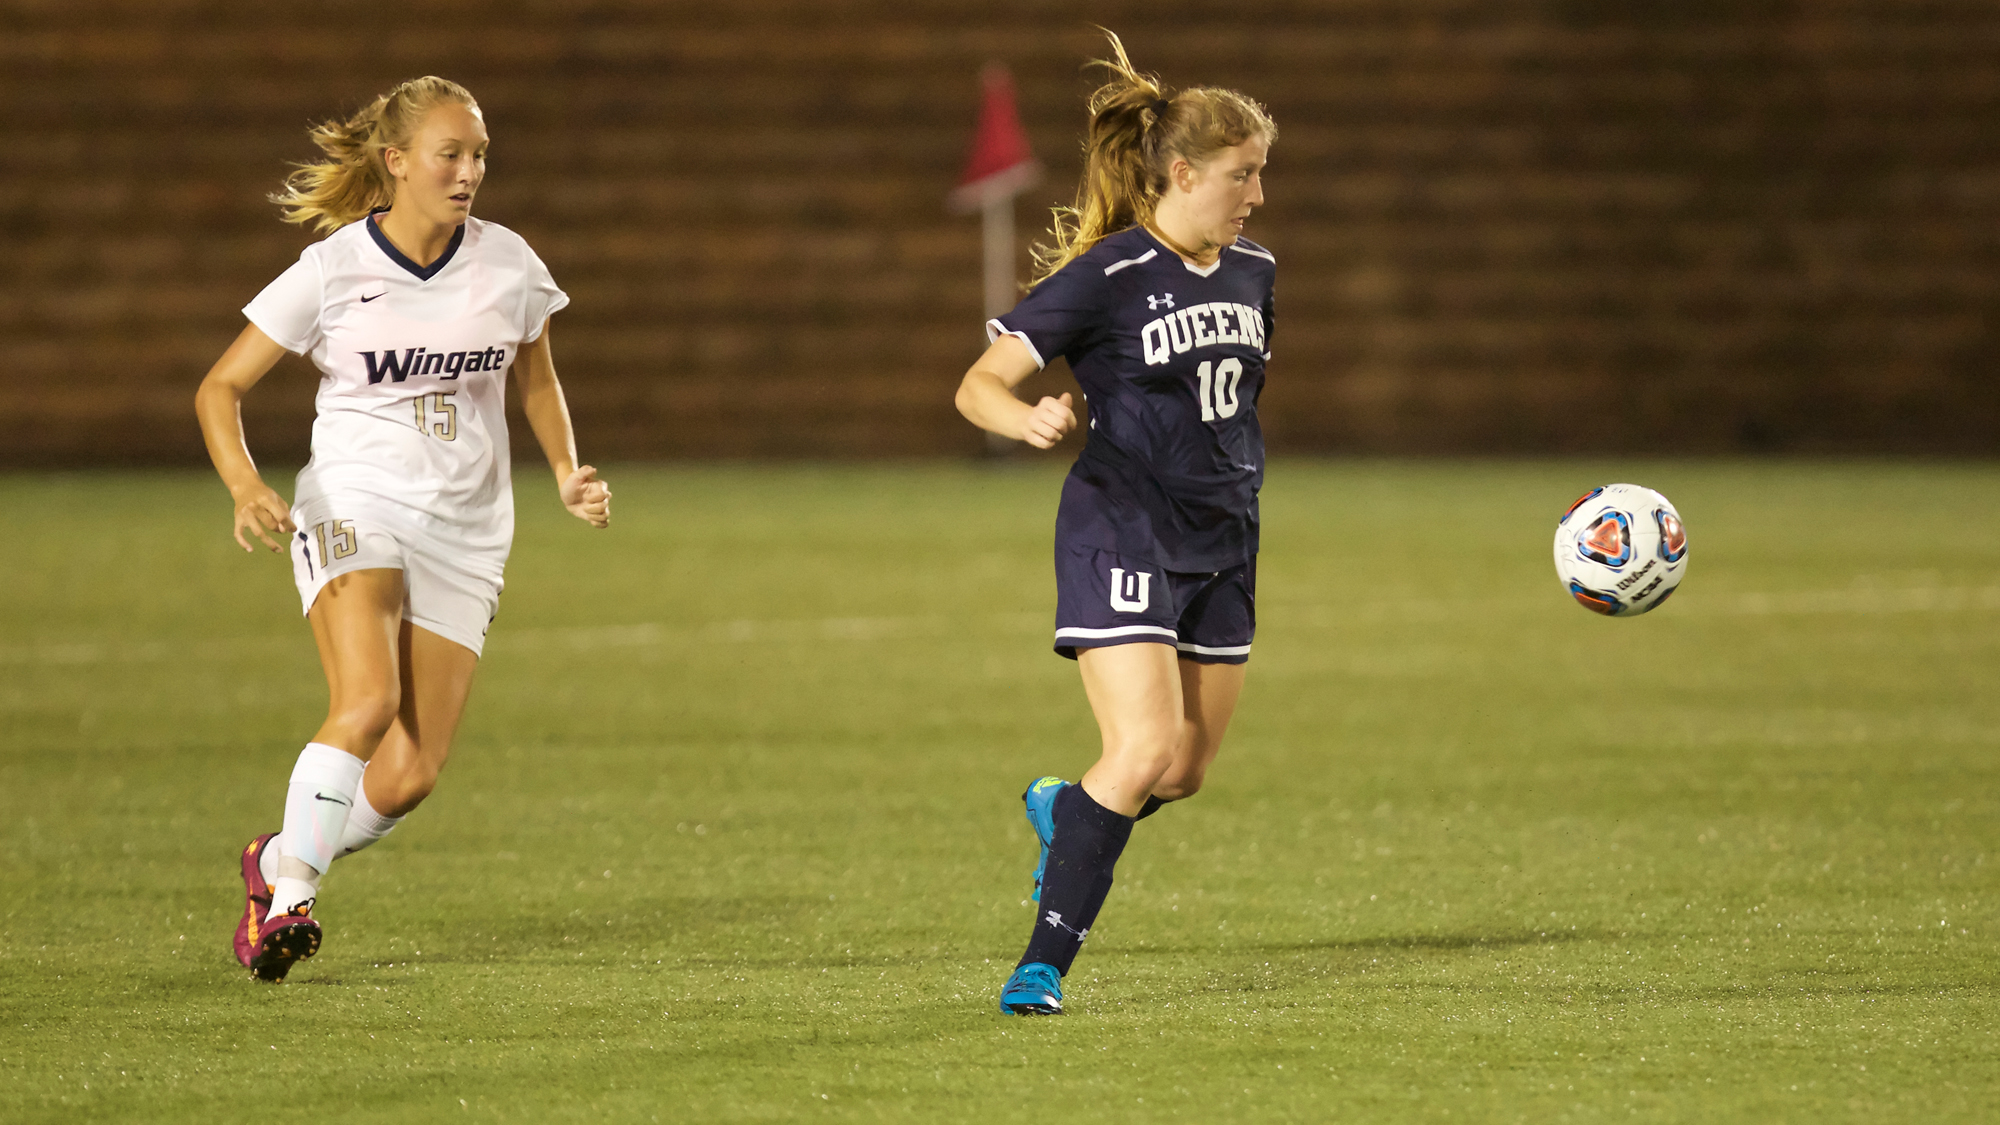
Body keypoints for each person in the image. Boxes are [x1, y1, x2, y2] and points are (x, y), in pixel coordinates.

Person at [193, 76, 611, 982]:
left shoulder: (507, 261)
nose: (469, 173)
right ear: (397, 161)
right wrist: (243, 483)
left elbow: (535, 374)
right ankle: (291, 905)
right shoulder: (335, 269)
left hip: (467, 525)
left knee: (410, 772)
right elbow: (220, 386)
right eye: (449, 154)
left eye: (479, 156)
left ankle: (276, 859)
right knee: (369, 700)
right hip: (356, 500)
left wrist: (567, 471)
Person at [952, 33, 1277, 1015]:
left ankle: (1066, 807)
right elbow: (978, 383)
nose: (1257, 195)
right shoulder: (1108, 274)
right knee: (1139, 751)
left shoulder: (1255, 270)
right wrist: (1024, 418)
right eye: (1241, 174)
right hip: (1121, 530)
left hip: (1224, 543)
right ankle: (1040, 967)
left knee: (1179, 771)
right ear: (1183, 174)